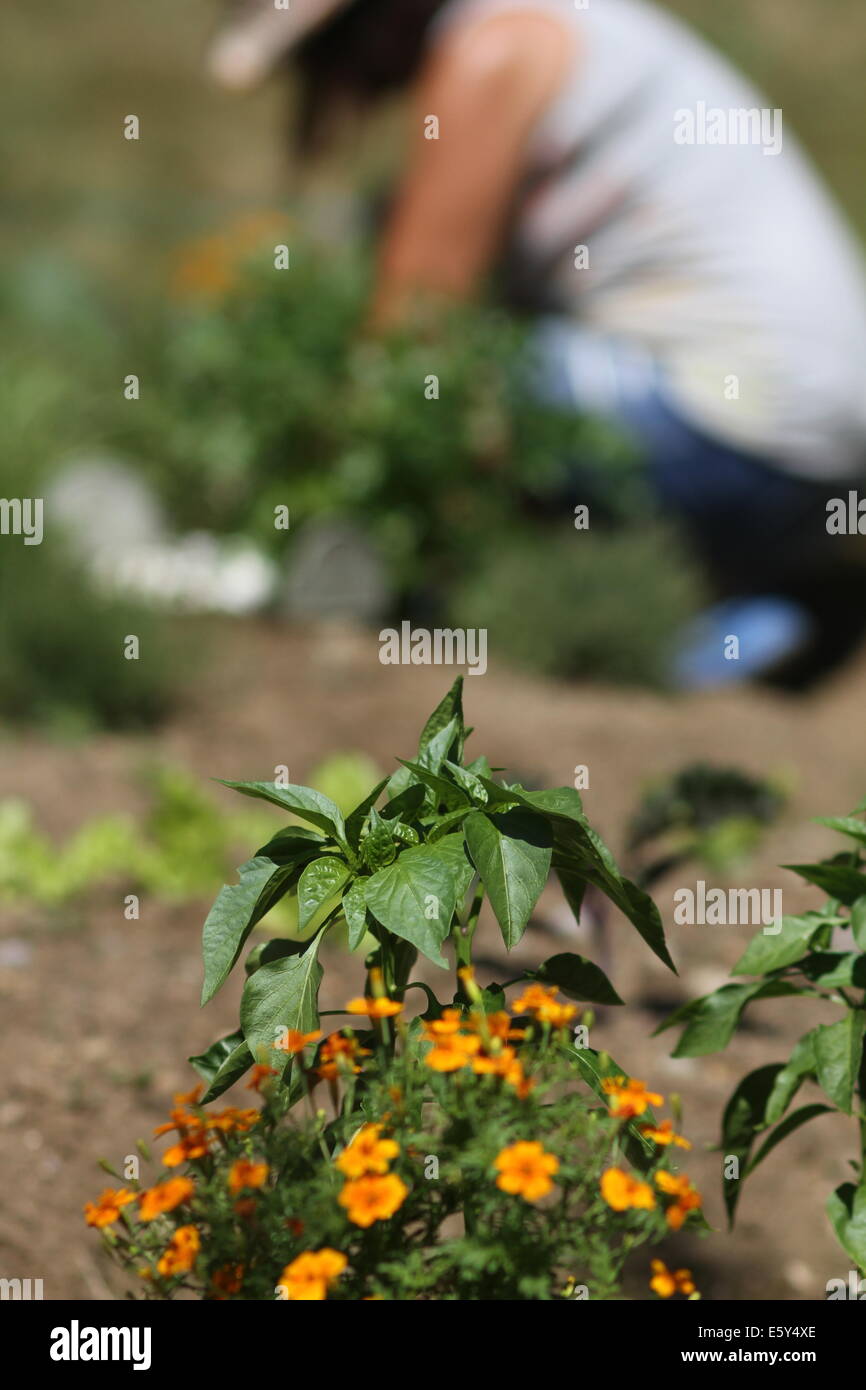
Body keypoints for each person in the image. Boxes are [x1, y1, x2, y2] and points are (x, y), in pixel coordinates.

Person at [207, 0, 866, 686]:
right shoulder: (559, 20)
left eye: (329, 47)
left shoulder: (494, 52)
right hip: (826, 452)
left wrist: (314, 480)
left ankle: (586, 620)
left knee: (462, 381)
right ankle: (743, 605)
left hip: (734, 426)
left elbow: (412, 333)